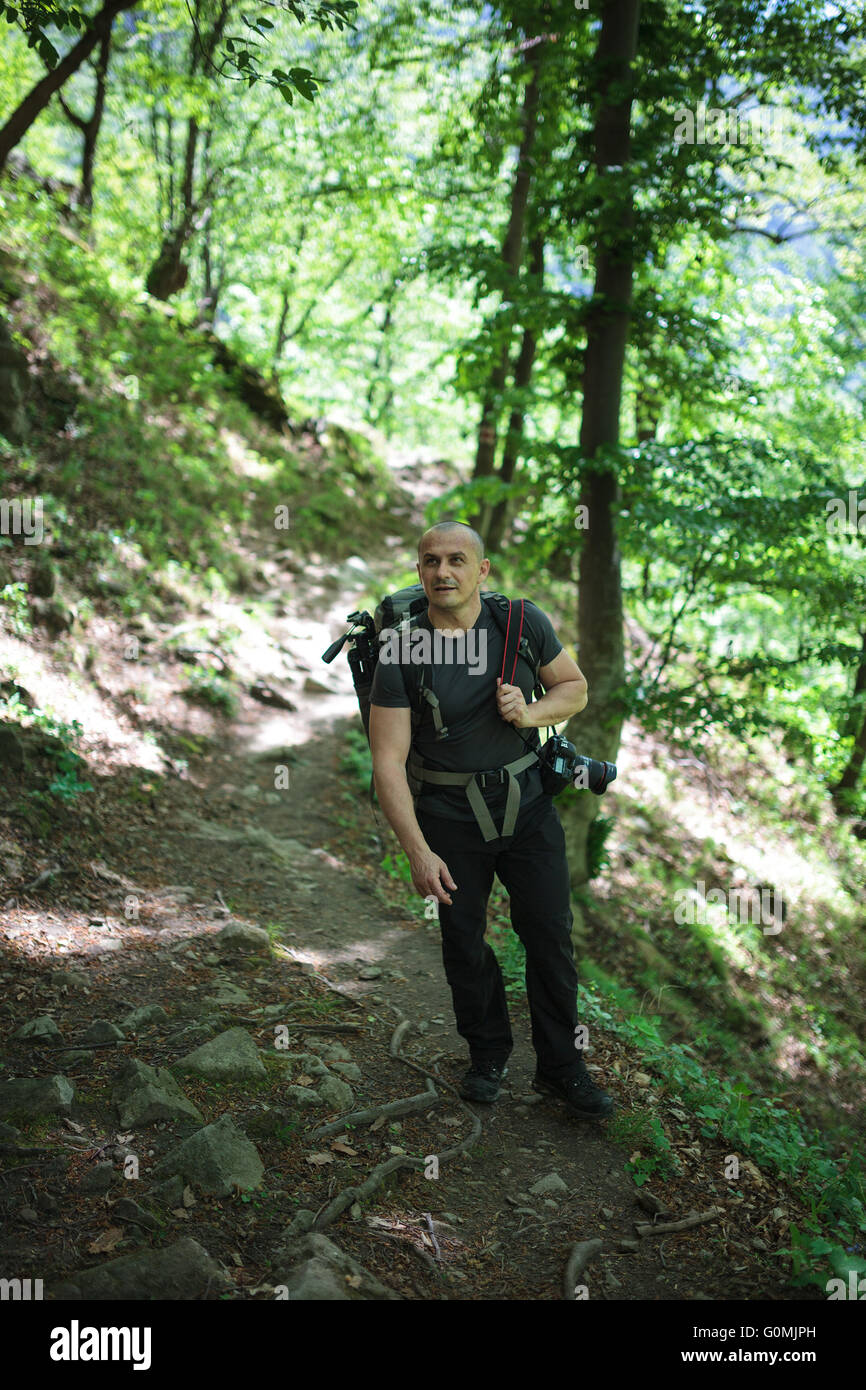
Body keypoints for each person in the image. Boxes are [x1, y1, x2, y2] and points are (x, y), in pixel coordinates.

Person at [368, 520, 614, 1118]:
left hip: (528, 810)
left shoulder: (521, 624)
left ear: (482, 571)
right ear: (419, 570)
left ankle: (562, 1067)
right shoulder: (403, 648)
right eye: (430, 561)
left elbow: (574, 689)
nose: (442, 572)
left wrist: (529, 714)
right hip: (448, 820)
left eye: (456, 560)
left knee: (550, 940)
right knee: (462, 942)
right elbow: (388, 761)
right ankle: (488, 1054)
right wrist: (418, 852)